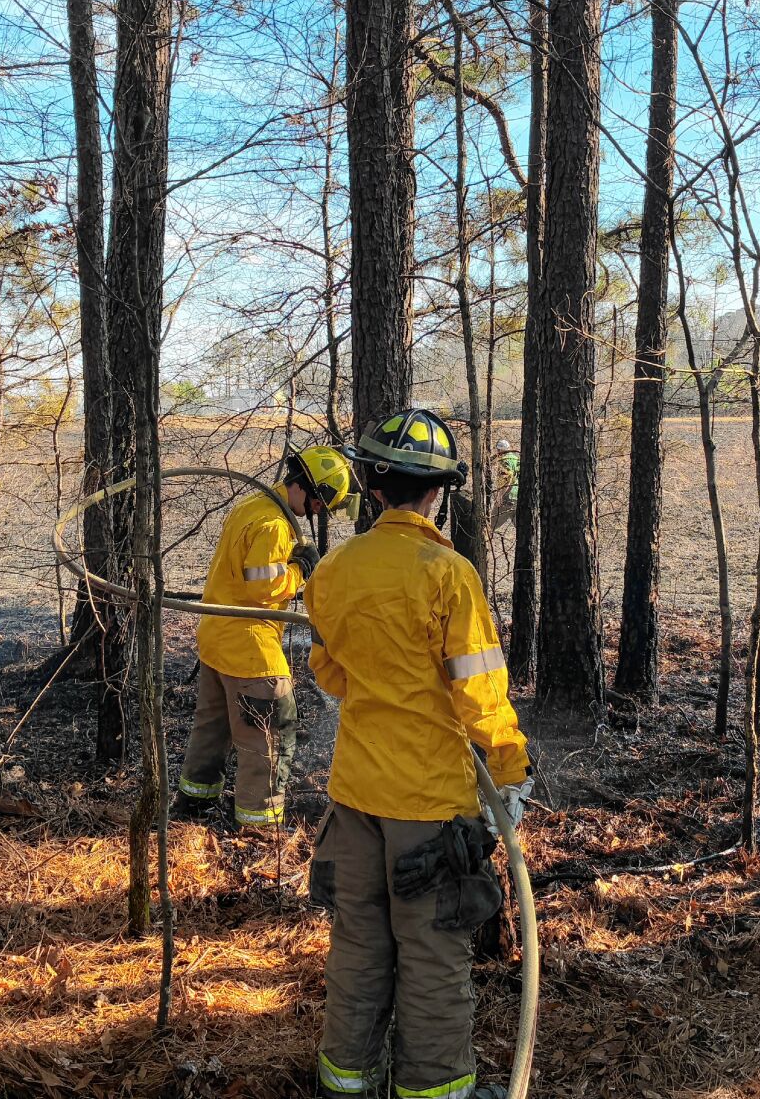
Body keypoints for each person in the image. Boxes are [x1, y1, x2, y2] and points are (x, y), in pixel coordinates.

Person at [304, 408, 532, 1099]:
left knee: (360, 945)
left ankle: (346, 1081)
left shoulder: (335, 568)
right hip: (429, 805)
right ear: (438, 491)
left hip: (354, 799)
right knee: (432, 952)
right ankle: (436, 1092)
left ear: (372, 485)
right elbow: (480, 693)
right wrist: (511, 768)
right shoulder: (449, 573)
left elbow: (330, 673)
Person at [176, 445, 355, 828]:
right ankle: (260, 824)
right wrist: (300, 569)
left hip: (216, 640)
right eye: (323, 503)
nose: (320, 512)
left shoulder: (254, 505)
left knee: (213, 726)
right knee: (272, 731)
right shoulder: (274, 525)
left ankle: (192, 803)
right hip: (249, 649)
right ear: (311, 489)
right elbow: (264, 587)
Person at [491, 438, 520, 528]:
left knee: (490, 525)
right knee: (521, 528)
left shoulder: (504, 461)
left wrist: (500, 496)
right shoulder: (516, 459)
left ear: (499, 450)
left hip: (507, 497)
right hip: (517, 496)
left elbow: (507, 479)